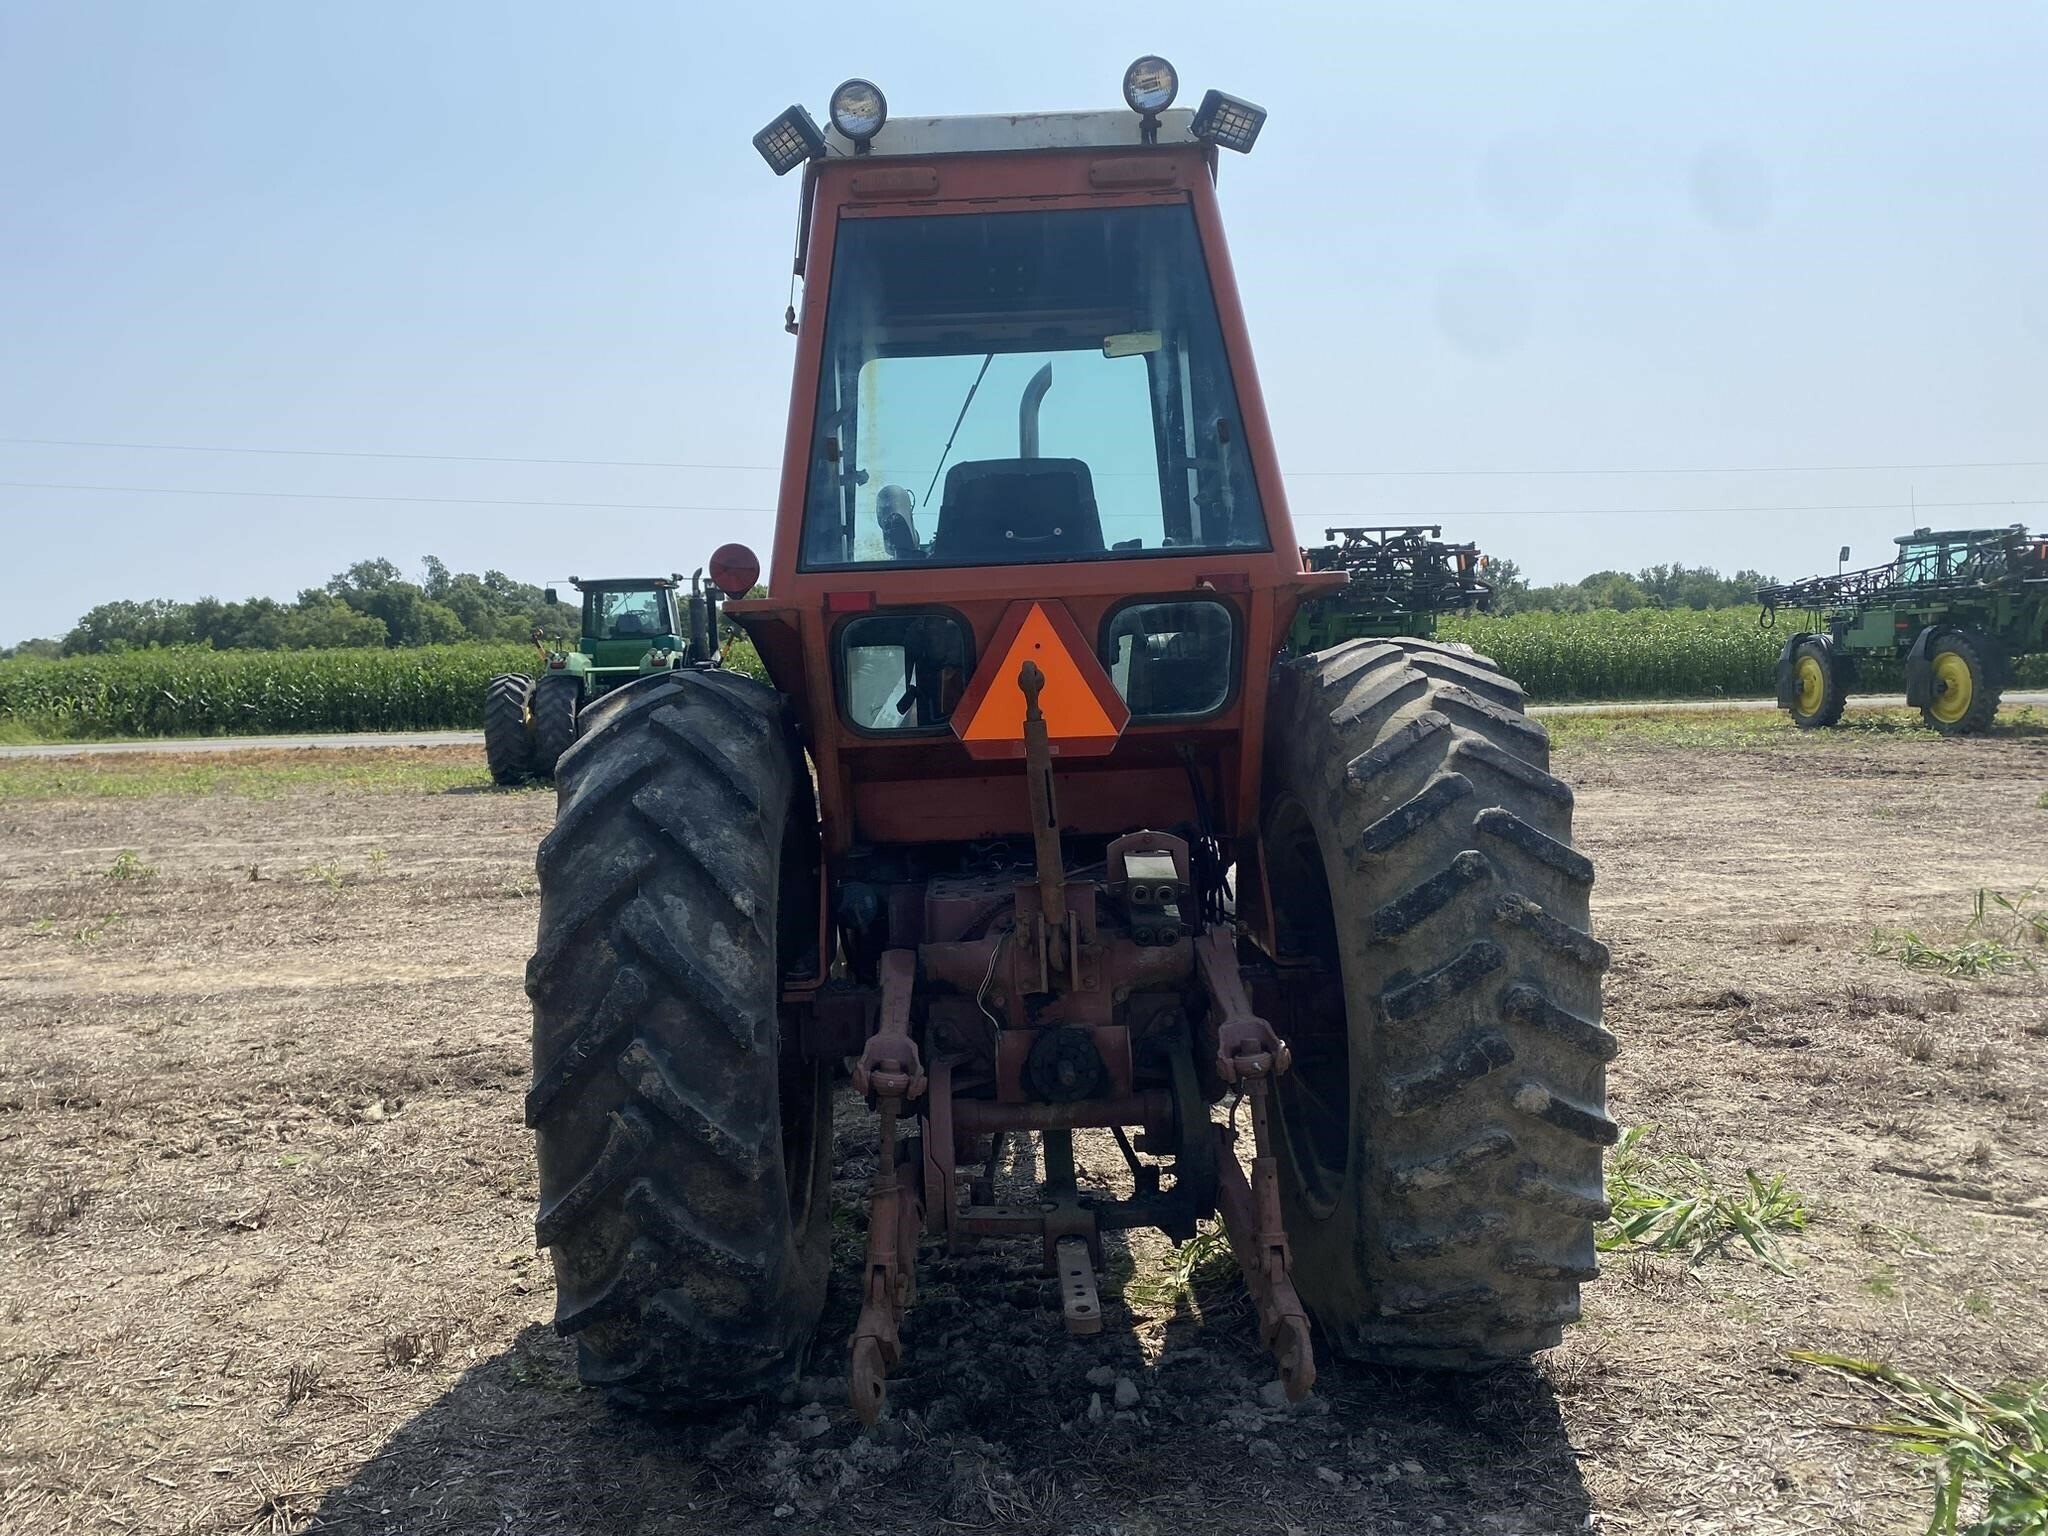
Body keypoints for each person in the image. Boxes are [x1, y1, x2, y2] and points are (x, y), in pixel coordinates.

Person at [876, 484, 922, 560]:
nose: (891, 518)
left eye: (890, 509)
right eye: (884, 511)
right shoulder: (872, 567)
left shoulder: (940, 561)